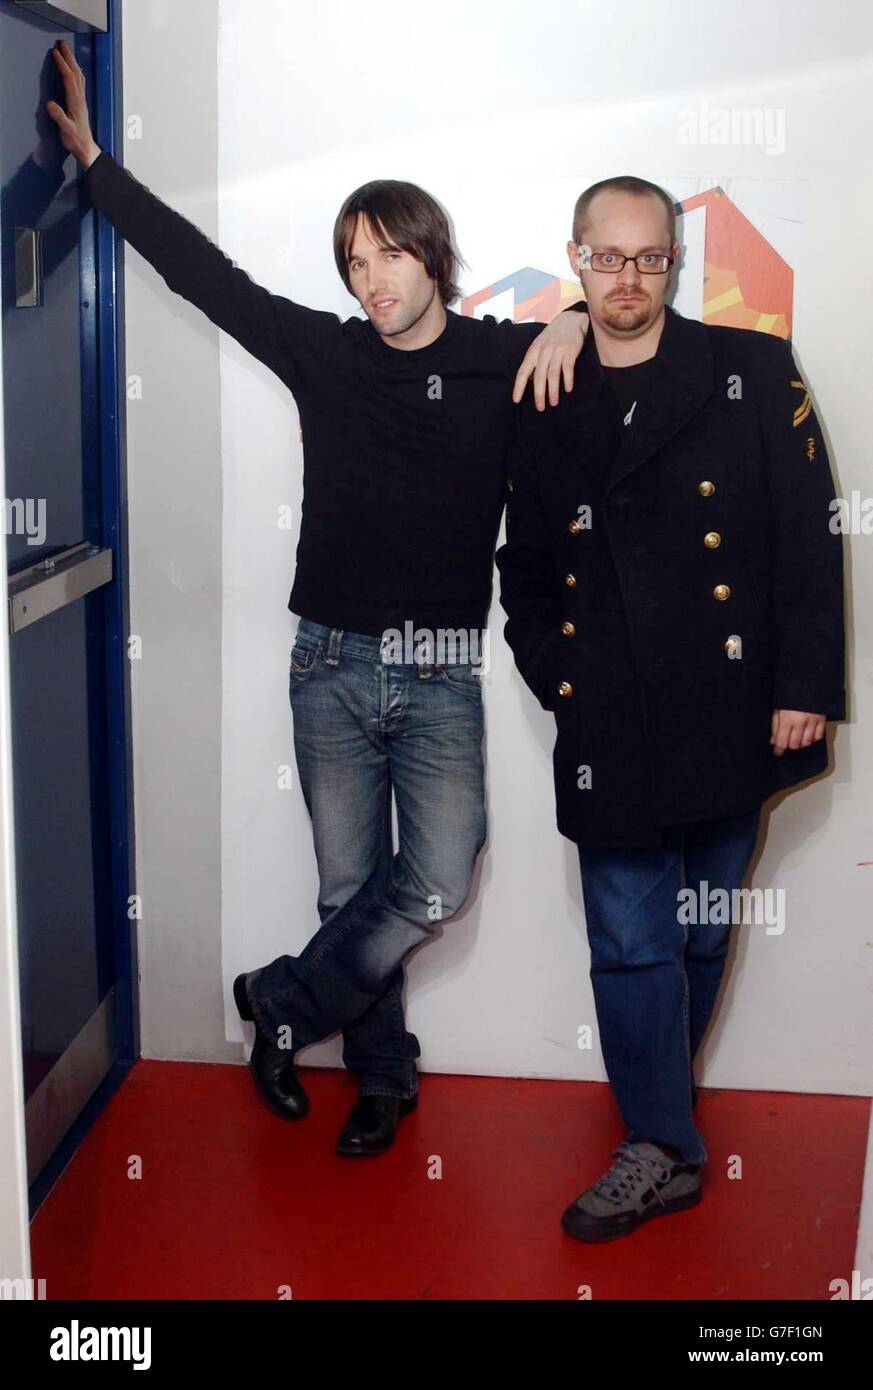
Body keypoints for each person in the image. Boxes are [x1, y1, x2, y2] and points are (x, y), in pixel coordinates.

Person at [47, 38, 590, 1156]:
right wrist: (101, 167)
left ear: (433, 255)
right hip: (329, 662)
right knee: (352, 884)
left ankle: (281, 1005)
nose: (374, 279)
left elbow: (601, 337)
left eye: (390, 254)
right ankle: (384, 1078)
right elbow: (206, 274)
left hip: (441, 664)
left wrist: (578, 312)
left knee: (437, 879)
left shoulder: (502, 358)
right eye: (354, 262)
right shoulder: (327, 355)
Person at [496, 175, 845, 1241]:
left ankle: (660, 1115)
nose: (628, 279)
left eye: (649, 258)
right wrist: (563, 672)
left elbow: (806, 534)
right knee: (633, 936)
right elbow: (530, 565)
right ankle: (662, 1144)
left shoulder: (749, 369)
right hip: (610, 717)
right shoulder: (543, 387)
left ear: (675, 261)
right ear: (577, 257)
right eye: (607, 259)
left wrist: (804, 688)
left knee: (697, 929)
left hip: (736, 702)